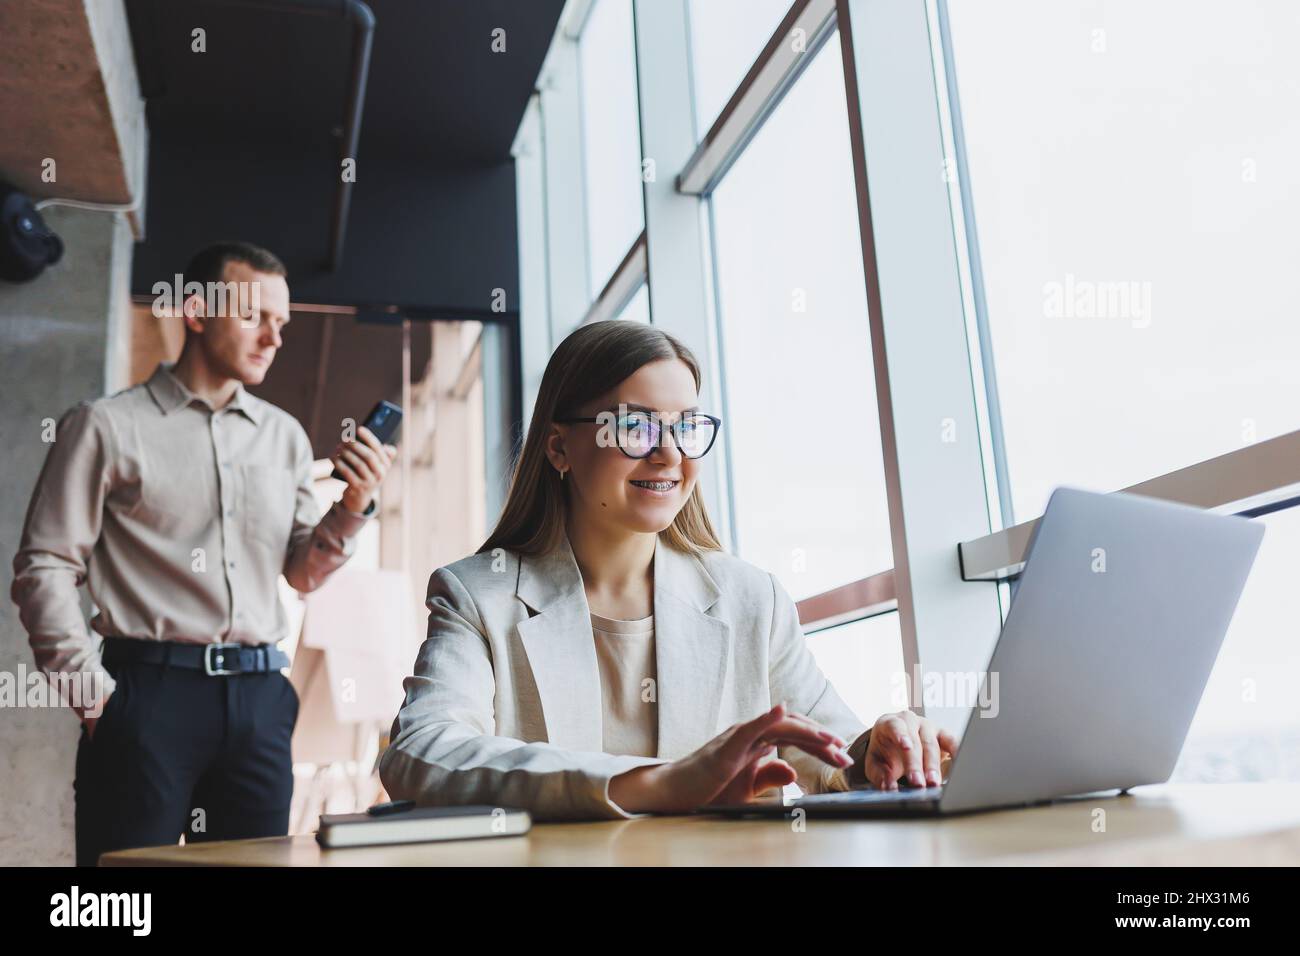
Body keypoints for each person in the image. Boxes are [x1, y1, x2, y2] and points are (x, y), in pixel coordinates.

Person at [380, 319, 957, 819]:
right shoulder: (477, 593)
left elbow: (831, 756)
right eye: (634, 427)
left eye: (686, 426)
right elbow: (422, 752)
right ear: (558, 448)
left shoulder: (750, 598)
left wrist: (877, 751)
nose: (670, 454)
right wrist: (658, 783)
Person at [12, 241, 397, 864]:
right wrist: (97, 702)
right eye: (254, 316)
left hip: (258, 703)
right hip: (145, 697)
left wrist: (353, 507)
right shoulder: (106, 426)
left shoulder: (285, 438)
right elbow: (44, 567)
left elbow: (300, 572)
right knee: (124, 905)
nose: (273, 338)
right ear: (195, 311)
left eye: (281, 323)